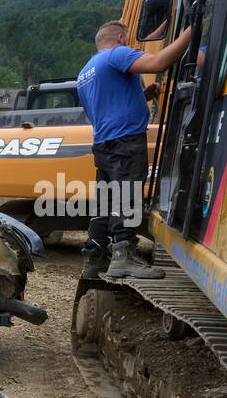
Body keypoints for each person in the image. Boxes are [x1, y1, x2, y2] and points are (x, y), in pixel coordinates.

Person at [75, 21, 192, 279]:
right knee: (126, 195)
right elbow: (159, 62)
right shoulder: (117, 54)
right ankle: (123, 256)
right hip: (126, 140)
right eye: (127, 40)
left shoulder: (85, 73)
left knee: (106, 200)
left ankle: (93, 258)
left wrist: (144, 97)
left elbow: (106, 107)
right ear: (119, 38)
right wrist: (192, 31)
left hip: (104, 143)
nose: (129, 46)